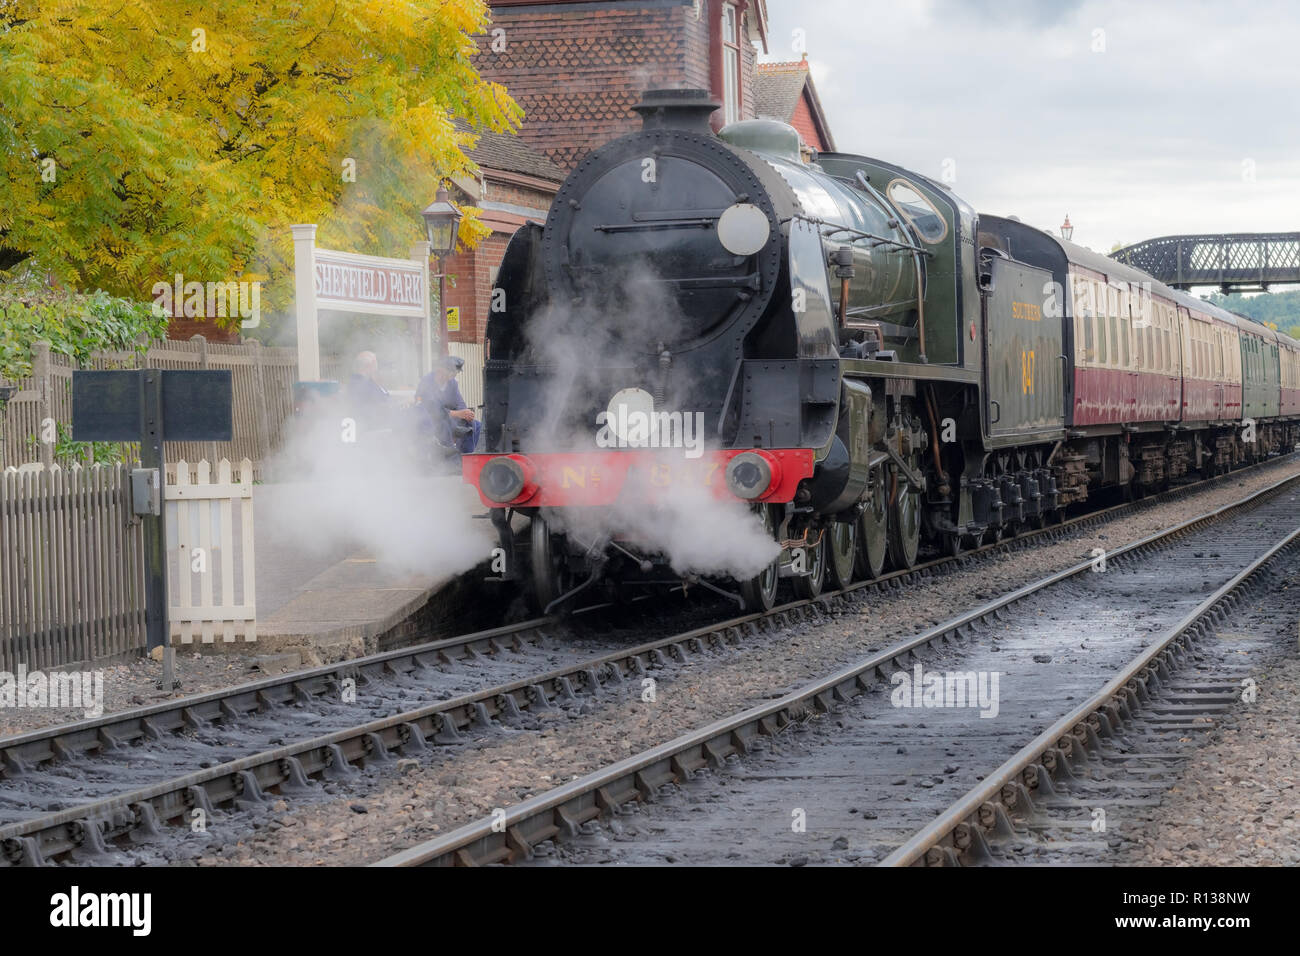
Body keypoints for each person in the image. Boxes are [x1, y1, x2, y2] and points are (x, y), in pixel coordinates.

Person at [416, 355, 481, 455]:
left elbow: (459, 402)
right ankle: (449, 456)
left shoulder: (452, 383)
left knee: (475, 425)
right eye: (452, 373)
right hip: (431, 418)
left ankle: (466, 456)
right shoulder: (427, 382)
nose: (453, 376)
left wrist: (466, 413)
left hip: (450, 417)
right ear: (441, 370)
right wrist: (457, 414)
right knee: (444, 425)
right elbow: (432, 408)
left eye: (455, 374)